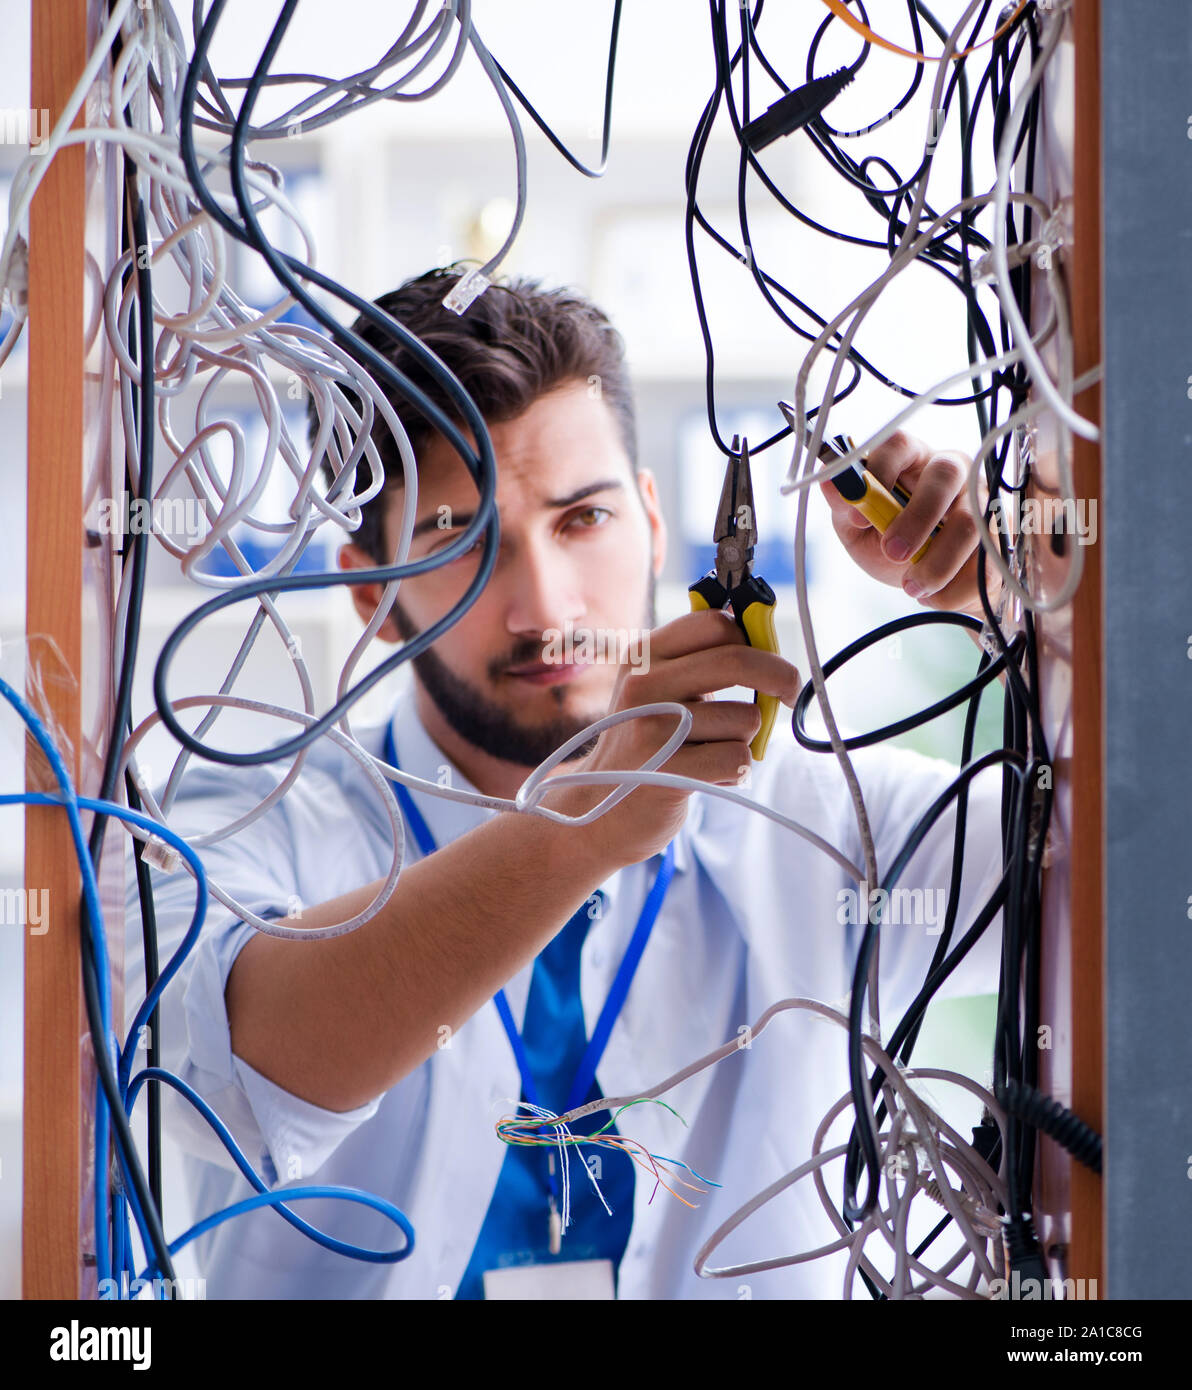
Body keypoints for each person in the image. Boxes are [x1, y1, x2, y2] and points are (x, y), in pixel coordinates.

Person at [127, 267, 1006, 1300]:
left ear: (646, 519)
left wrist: (1032, 594)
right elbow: (232, 1077)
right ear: (367, 588)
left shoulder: (815, 818)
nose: (542, 604)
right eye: (460, 539)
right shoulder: (248, 813)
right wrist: (579, 833)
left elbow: (1126, 876)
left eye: (582, 519)